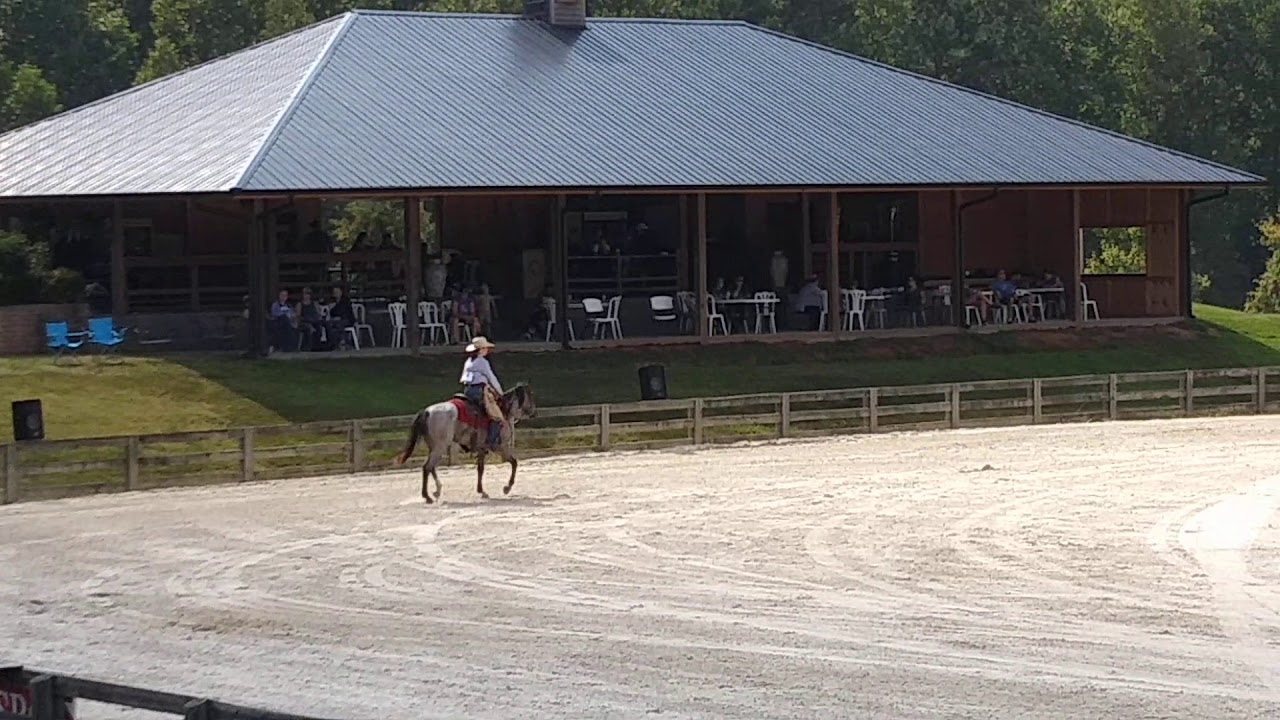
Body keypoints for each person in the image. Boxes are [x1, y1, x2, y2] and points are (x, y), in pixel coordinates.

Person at [459, 336, 505, 449]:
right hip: (479, 391)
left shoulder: (469, 361)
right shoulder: (482, 362)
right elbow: (491, 377)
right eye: (485, 348)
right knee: (497, 416)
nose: (487, 350)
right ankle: (491, 442)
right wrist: (500, 392)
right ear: (480, 350)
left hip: (468, 390)